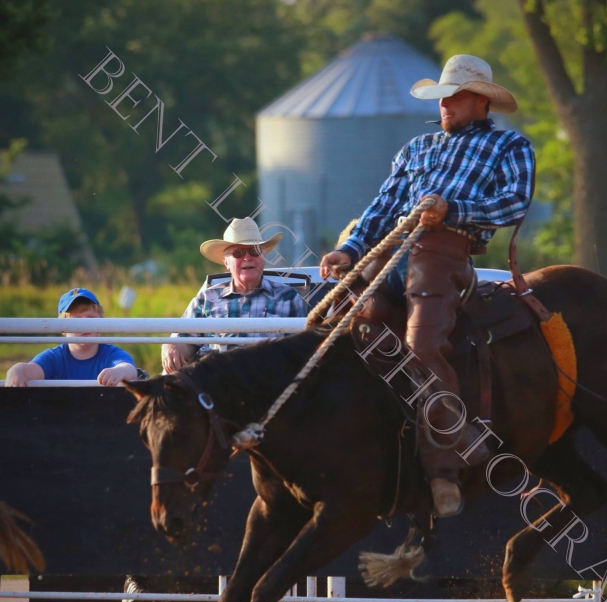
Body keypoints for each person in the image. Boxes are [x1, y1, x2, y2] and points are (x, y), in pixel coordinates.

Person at [320, 55, 535, 517]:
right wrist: (351, 250)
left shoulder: (510, 146)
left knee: (421, 344)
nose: (445, 106)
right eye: (441, 99)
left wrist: (451, 211)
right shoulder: (416, 148)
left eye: (453, 97)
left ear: (480, 100)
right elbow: (382, 206)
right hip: (389, 251)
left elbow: (513, 205)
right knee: (348, 324)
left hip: (444, 252)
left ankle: (443, 466)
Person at [161, 217, 308, 373]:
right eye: (238, 253)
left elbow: (300, 351)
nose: (247, 258)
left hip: (267, 386)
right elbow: (184, 340)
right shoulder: (206, 298)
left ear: (263, 256)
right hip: (216, 385)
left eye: (254, 251)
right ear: (226, 262)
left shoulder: (288, 297)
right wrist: (172, 346)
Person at [5, 288, 137, 387]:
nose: (84, 324)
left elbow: (129, 369)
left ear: (102, 322)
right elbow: (32, 370)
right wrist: (18, 370)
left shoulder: (110, 354)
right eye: (76, 320)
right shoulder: (55, 357)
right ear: (62, 328)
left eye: (91, 318)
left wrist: (119, 371)